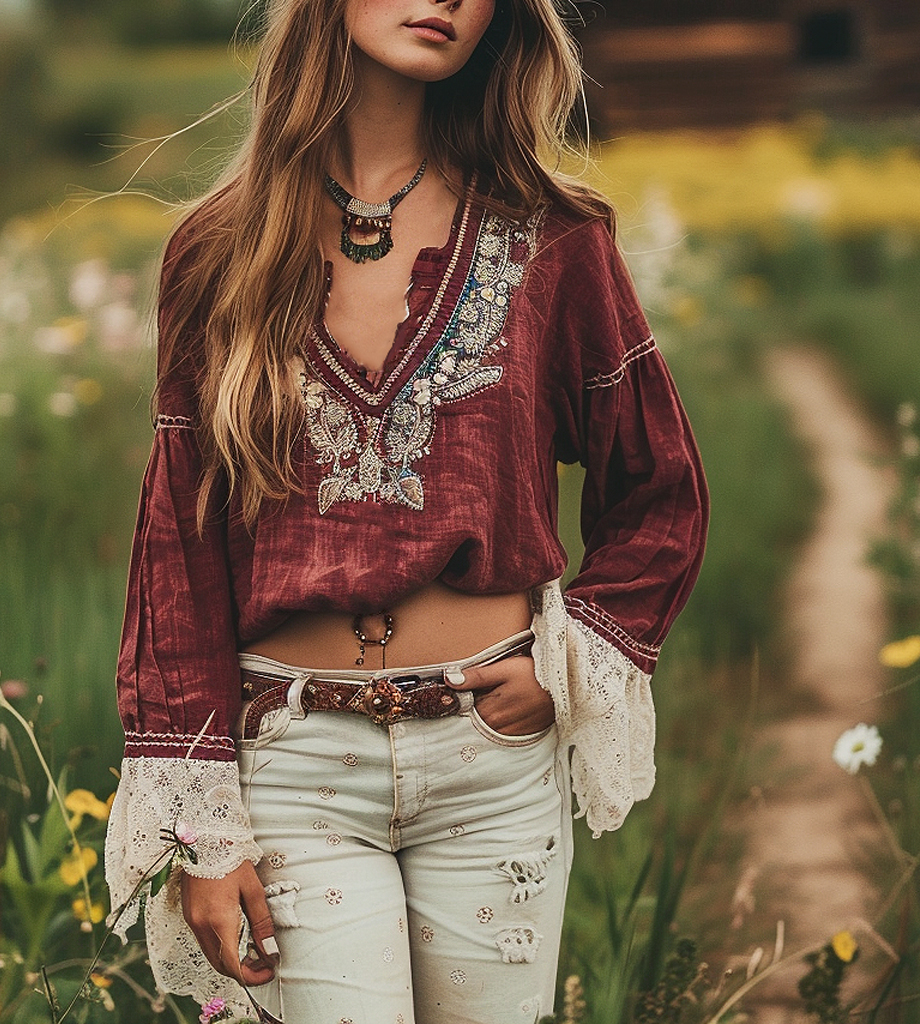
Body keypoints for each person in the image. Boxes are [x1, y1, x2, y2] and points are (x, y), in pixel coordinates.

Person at [104, 0, 708, 1022]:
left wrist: (572, 663)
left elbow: (659, 487)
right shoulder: (214, 252)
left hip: (491, 757)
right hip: (295, 762)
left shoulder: (555, 239)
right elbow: (180, 547)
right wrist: (202, 830)